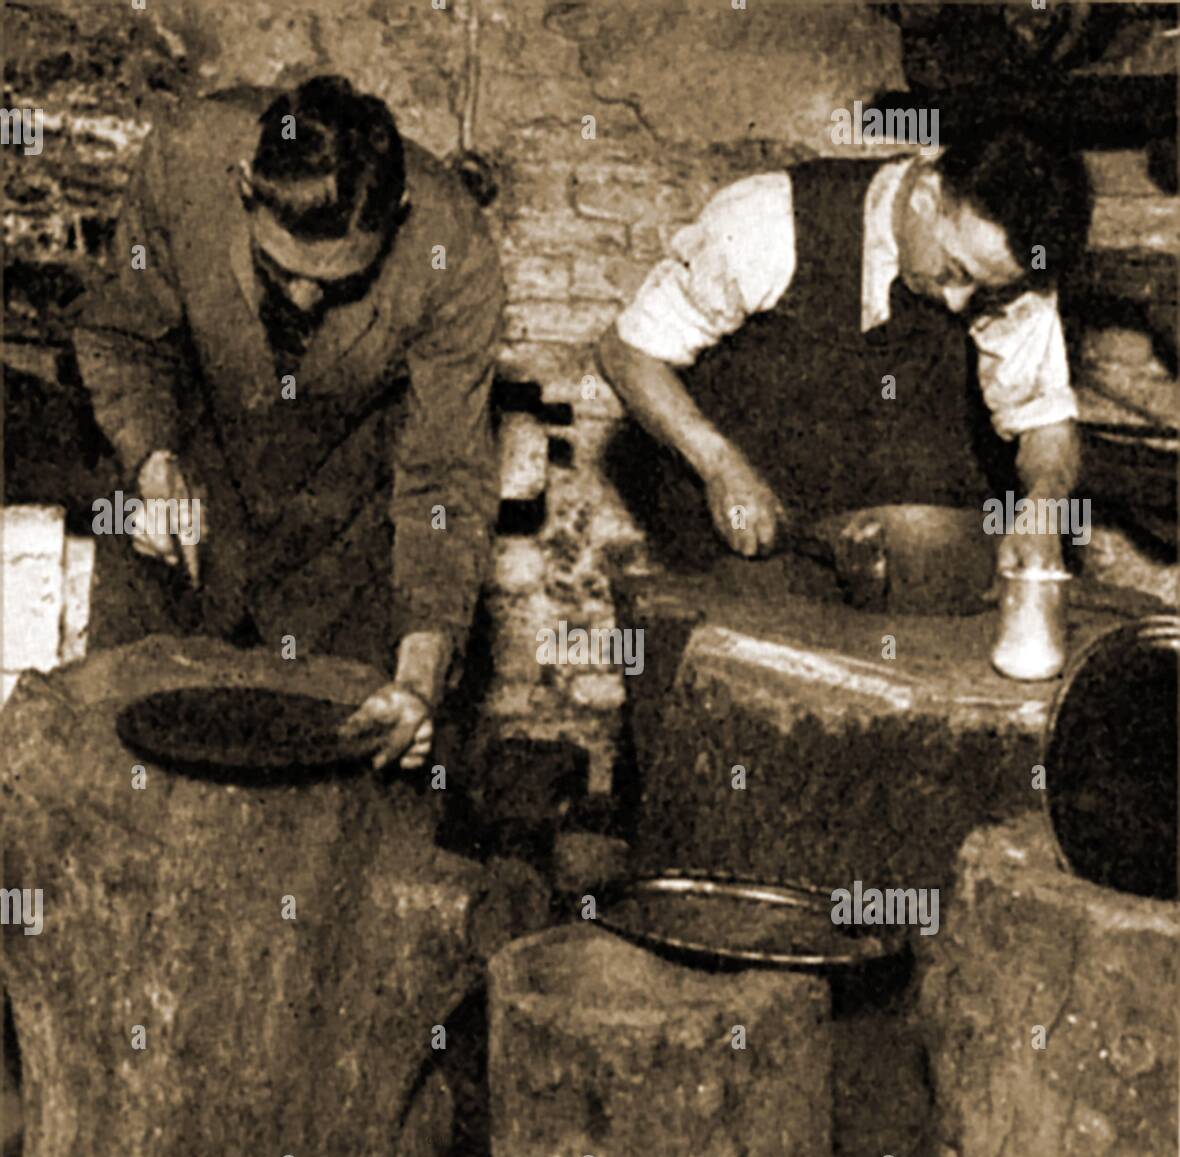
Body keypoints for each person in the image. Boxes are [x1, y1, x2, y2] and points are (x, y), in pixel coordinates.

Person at [72, 75, 505, 770]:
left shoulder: (451, 251)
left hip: (343, 542)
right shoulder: (186, 160)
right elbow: (123, 338)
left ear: (396, 216)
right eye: (283, 271)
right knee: (123, 762)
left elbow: (444, 481)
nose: (305, 301)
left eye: (339, 282)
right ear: (245, 187)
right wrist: (152, 463)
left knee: (335, 787)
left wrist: (418, 681)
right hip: (185, 505)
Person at [596, 123, 1092, 578]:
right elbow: (630, 353)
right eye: (953, 271)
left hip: (897, 566)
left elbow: (1043, 420)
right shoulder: (766, 223)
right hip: (749, 550)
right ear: (925, 194)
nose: (960, 300)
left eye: (984, 288)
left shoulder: (1011, 269)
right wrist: (719, 465)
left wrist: (1044, 505)